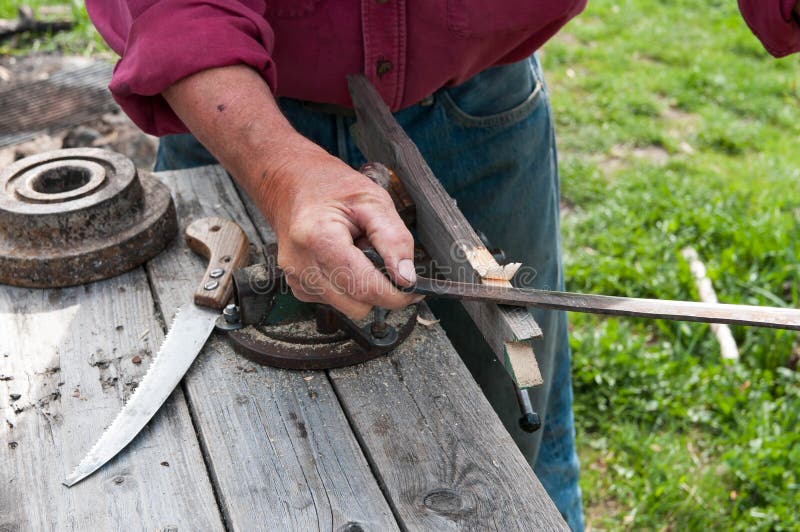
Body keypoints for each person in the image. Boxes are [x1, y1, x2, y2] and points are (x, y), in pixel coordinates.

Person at [83, 2, 795, 530]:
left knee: (518, 431)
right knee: (237, 463)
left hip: (481, 105)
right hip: (230, 113)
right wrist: (278, 169)